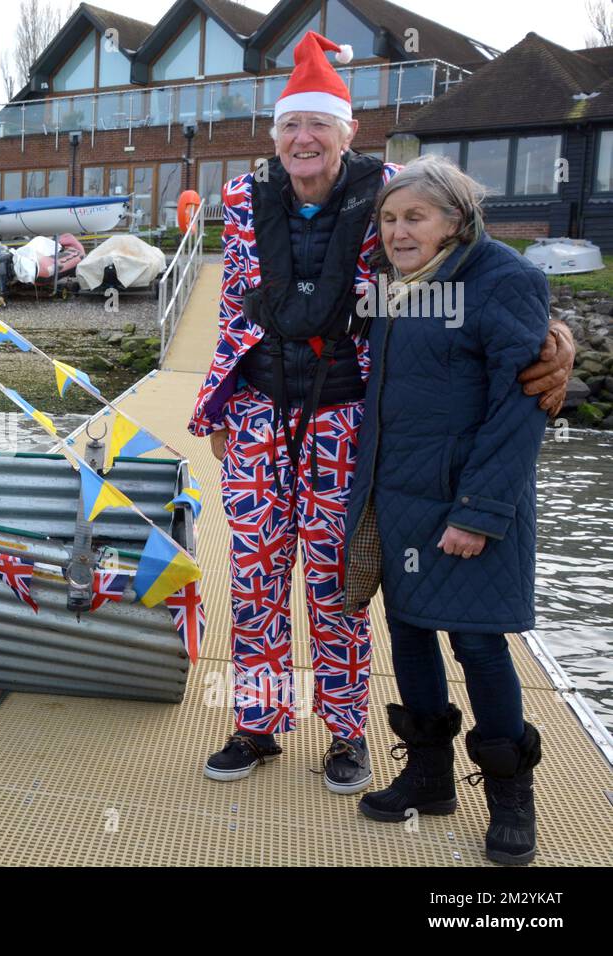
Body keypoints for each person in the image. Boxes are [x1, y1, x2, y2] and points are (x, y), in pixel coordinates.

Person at [188, 31, 574, 792]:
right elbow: (234, 307)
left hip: (350, 425)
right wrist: (221, 406)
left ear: (347, 130)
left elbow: (466, 265)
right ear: (275, 135)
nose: (304, 139)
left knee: (339, 583)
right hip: (259, 416)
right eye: (291, 125)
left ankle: (344, 731)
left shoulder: (396, 193)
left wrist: (548, 335)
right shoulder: (238, 200)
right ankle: (259, 723)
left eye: (319, 125)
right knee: (256, 579)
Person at [345, 156, 549, 865]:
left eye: (415, 218)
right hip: (396, 495)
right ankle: (429, 777)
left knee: (479, 643)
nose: (399, 231)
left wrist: (480, 512)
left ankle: (510, 798)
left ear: (456, 221)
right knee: (409, 634)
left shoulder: (505, 280)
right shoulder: (393, 288)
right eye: (390, 218)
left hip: (467, 501)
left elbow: (520, 406)